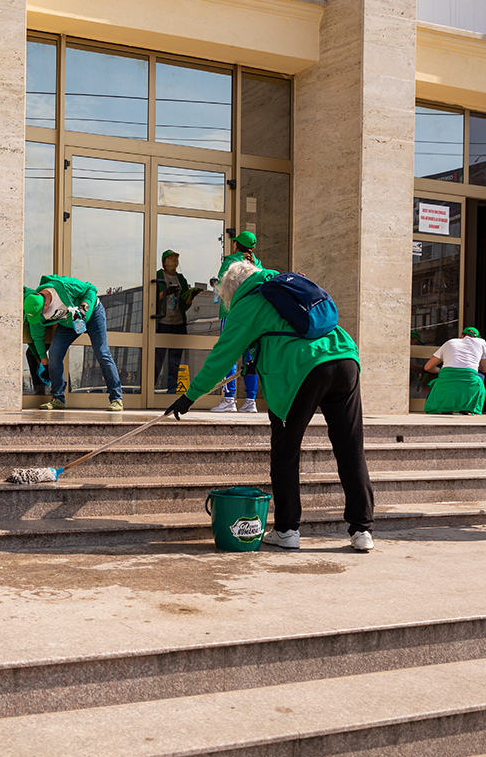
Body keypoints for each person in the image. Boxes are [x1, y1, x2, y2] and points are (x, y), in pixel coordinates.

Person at [166, 259, 374, 551]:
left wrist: (189, 397)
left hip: (302, 370)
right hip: (344, 358)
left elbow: (220, 357)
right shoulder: (286, 285)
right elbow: (287, 331)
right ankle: (362, 530)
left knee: (286, 452)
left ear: (232, 290)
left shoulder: (249, 302)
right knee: (350, 448)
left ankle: (288, 530)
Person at [24, 274, 124, 411]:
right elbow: (37, 337)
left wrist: (84, 307)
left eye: (41, 315)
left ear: (46, 304)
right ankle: (57, 398)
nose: (40, 319)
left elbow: (91, 288)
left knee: (102, 353)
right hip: (68, 324)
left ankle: (116, 398)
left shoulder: (64, 286)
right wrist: (44, 363)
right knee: (54, 353)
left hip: (93, 314)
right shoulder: (34, 309)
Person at [208, 231, 260, 413]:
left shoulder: (230, 261)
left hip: (231, 313)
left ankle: (229, 398)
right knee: (250, 356)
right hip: (251, 316)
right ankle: (250, 401)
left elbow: (223, 285)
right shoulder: (257, 264)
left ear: (237, 245)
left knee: (228, 354)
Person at [153, 250, 199, 394]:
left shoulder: (181, 278)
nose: (175, 261)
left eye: (176, 258)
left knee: (175, 360)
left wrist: (190, 297)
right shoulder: (158, 276)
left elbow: (184, 303)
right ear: (164, 261)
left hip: (178, 323)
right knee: (157, 358)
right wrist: (166, 291)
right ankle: (150, 387)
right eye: (171, 258)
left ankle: (172, 389)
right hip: (162, 322)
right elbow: (151, 298)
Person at [423, 327, 486, 415]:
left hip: (447, 378)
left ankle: (446, 406)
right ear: (477, 337)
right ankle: (468, 407)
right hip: (469, 379)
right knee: (480, 376)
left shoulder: (450, 342)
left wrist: (439, 370)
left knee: (442, 377)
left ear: (461, 335)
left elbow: (428, 367)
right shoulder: (481, 342)